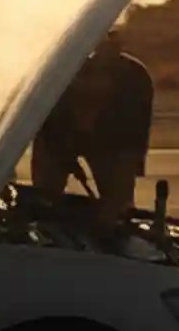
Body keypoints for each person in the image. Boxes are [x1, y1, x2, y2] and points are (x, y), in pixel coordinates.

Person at [30, 26, 154, 245]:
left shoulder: (134, 79)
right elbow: (44, 124)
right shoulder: (56, 73)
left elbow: (132, 144)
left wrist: (115, 207)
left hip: (112, 142)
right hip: (60, 135)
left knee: (117, 213)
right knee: (42, 205)